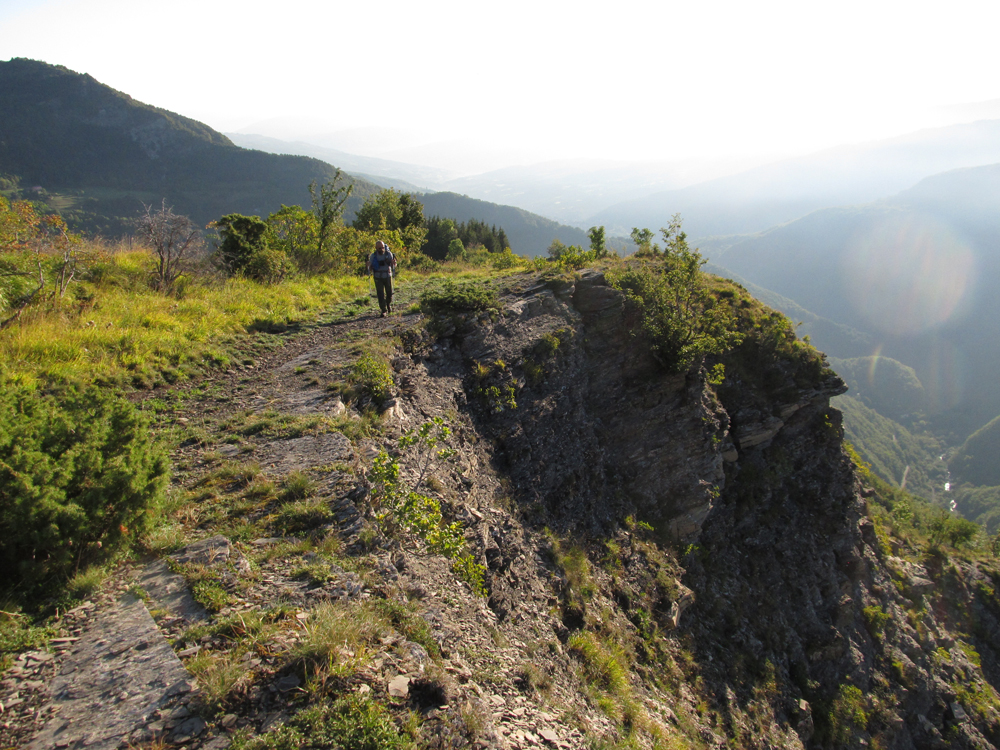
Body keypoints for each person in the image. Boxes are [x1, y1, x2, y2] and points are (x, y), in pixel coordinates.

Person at [367, 240, 397, 317]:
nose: (381, 249)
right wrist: (368, 266)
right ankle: (383, 310)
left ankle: (388, 304)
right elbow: (370, 268)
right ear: (376, 248)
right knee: (380, 294)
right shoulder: (373, 256)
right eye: (379, 248)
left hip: (387, 275)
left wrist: (394, 263)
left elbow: (393, 265)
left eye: (383, 247)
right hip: (378, 277)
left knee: (389, 292)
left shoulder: (388, 254)